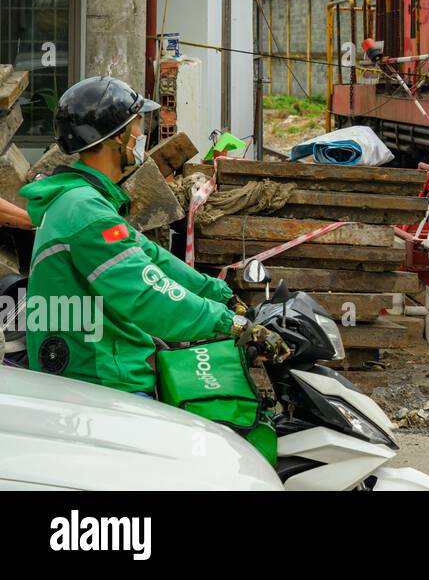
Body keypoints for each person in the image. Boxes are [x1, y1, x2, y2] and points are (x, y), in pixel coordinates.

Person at [20, 76, 288, 395]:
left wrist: (221, 295)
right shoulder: (86, 212)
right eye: (136, 126)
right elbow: (146, 295)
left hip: (98, 369)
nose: (140, 135)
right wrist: (232, 324)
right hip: (100, 382)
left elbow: (150, 256)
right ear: (117, 136)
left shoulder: (82, 201)